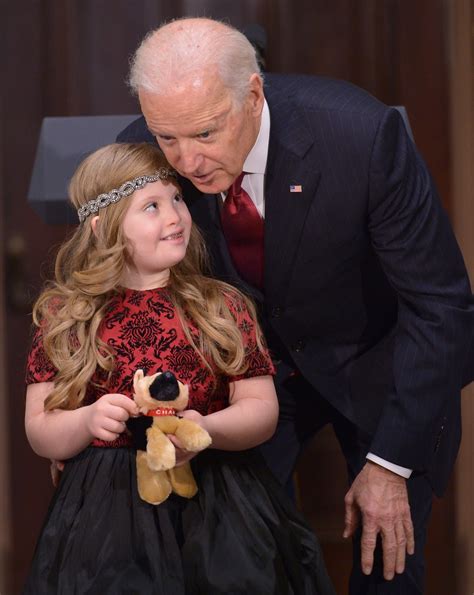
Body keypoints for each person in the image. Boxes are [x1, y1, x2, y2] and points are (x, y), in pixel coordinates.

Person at [116, 17, 474, 595]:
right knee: (243, 563)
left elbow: (442, 307)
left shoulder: (360, 136)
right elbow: (125, 296)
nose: (186, 161)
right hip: (246, 375)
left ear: (253, 96)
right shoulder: (139, 150)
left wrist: (388, 466)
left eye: (206, 133)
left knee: (387, 565)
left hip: (378, 364)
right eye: (168, 137)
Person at [24, 142, 335, 594]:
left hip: (220, 508)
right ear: (101, 228)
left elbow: (261, 409)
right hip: (106, 520)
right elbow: (40, 428)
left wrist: (206, 425)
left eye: (176, 199)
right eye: (151, 206)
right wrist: (87, 419)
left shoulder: (222, 305)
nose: (174, 216)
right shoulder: (66, 316)